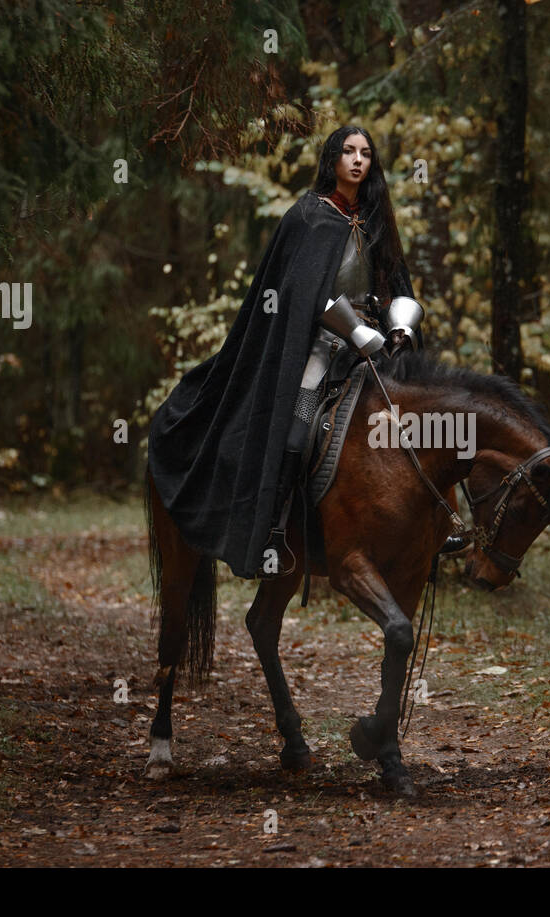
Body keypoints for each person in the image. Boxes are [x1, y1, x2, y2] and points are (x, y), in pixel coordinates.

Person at [148, 125, 459, 582]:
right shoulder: (308, 217)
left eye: (366, 153)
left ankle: (443, 524)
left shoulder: (376, 218)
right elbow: (297, 295)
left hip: (376, 341)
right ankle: (276, 529)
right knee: (295, 430)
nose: (357, 160)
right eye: (348, 151)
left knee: (432, 417)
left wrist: (399, 330)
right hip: (322, 344)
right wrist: (353, 333)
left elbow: (396, 282)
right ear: (332, 158)